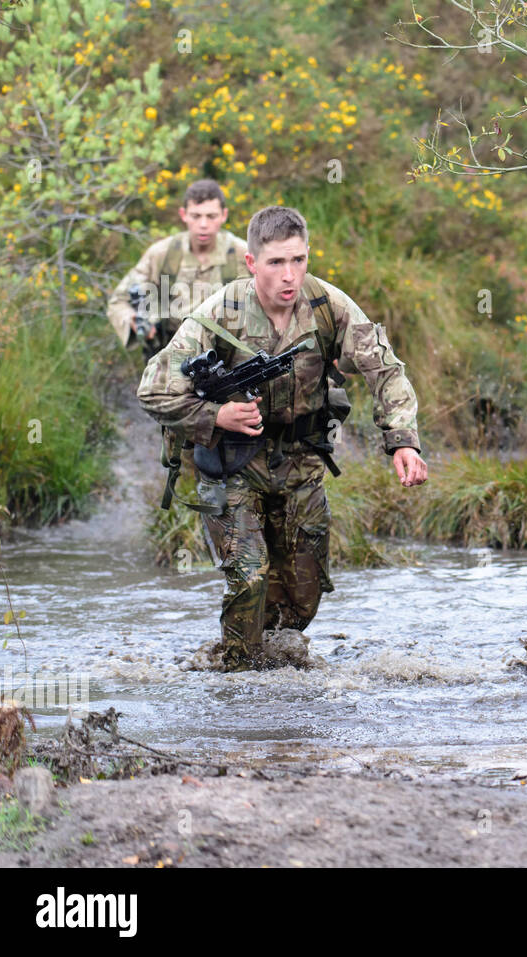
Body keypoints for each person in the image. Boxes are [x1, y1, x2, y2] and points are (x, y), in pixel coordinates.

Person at [138, 205, 428, 671]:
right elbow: (153, 389)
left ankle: (272, 683)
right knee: (250, 580)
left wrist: (403, 441)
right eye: (276, 263)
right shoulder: (220, 314)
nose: (289, 275)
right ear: (252, 263)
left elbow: (386, 370)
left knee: (302, 598)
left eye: (299, 260)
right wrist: (217, 414)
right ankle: (234, 680)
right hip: (231, 463)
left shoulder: (328, 306)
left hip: (300, 464)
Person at [107, 179, 248, 357]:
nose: (203, 224)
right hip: (171, 358)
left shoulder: (243, 255)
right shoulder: (162, 254)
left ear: (223, 215)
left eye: (211, 216)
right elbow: (119, 301)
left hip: (228, 359)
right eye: (196, 216)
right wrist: (134, 321)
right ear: (184, 215)